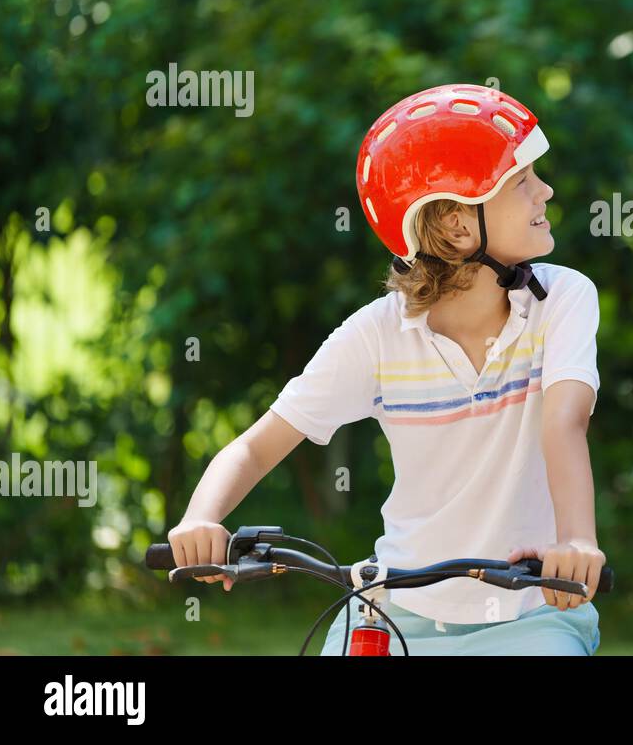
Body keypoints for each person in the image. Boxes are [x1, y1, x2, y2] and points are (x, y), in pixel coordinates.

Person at [167, 83, 605, 655]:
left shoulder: (563, 300)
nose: (545, 190)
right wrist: (201, 519)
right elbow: (255, 447)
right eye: (522, 181)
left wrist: (576, 541)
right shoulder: (378, 335)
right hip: (392, 609)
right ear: (456, 226)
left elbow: (563, 422)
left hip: (530, 612)